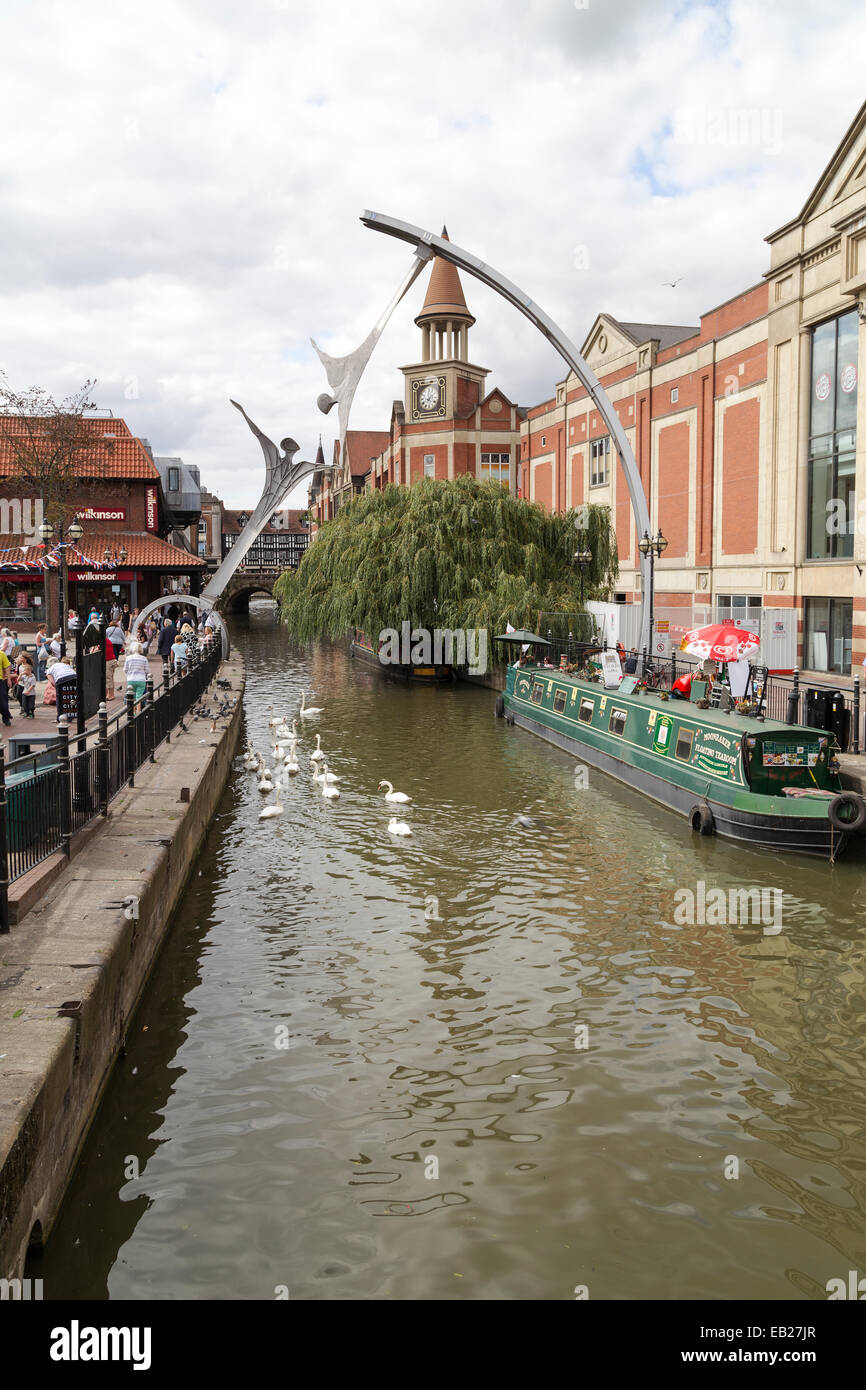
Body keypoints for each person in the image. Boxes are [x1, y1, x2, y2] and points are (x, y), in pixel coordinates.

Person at [0, 646, 11, 726]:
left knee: (3, 702)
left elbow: (7, 666)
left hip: (0, 681)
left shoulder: (1, 654)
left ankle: (6, 716)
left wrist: (9, 679)